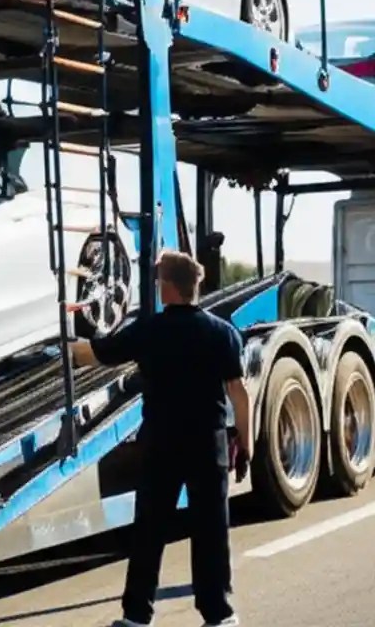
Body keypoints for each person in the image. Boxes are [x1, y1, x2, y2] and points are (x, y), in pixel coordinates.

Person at [71, 250, 251, 627]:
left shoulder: (149, 330)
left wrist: (63, 349)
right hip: (208, 444)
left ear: (168, 287)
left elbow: (99, 354)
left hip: (162, 443)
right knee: (211, 531)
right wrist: (246, 444)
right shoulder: (222, 333)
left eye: (158, 281)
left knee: (149, 531)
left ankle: (137, 615)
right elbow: (238, 393)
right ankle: (218, 614)